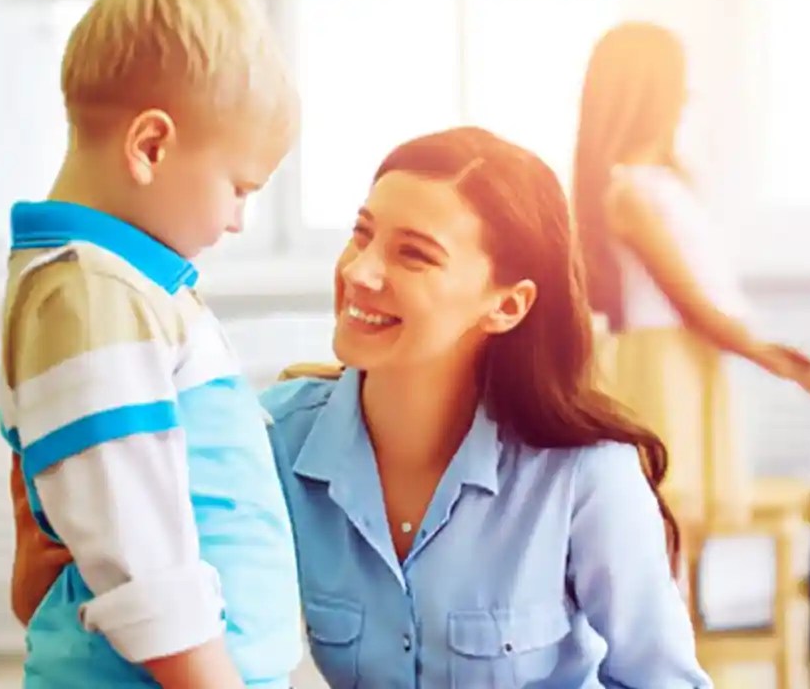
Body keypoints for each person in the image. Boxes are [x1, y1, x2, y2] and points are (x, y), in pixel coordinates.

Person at [262, 126, 714, 688]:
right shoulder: (273, 437)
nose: (359, 271)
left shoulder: (585, 473)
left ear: (506, 305)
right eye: (362, 234)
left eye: (413, 255)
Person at [0, 0, 300, 687]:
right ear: (152, 146)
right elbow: (143, 560)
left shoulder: (119, 288)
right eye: (238, 187)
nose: (237, 219)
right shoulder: (92, 295)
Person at [572, 21, 810, 526]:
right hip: (662, 365)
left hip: (687, 359)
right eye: (678, 84)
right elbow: (694, 306)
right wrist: (787, 364)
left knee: (678, 528)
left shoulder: (666, 182)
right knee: (666, 523)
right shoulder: (630, 193)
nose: (687, 97)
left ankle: (684, 609)